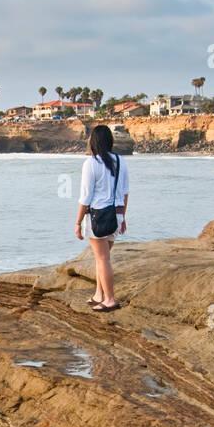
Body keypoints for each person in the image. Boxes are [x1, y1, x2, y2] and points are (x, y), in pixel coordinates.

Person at [74, 124, 128, 311]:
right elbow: (125, 193)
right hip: (115, 216)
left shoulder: (91, 163)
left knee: (103, 258)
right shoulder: (120, 161)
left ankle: (110, 299)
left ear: (93, 142)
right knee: (102, 258)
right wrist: (123, 217)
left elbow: (86, 196)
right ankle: (99, 294)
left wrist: (78, 222)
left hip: (97, 216)